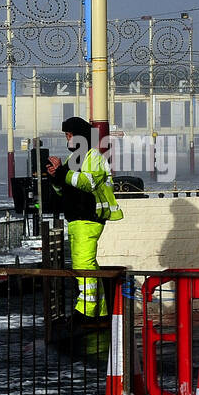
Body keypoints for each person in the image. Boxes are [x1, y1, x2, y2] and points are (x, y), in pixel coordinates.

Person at [45, 116, 122, 320]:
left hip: (88, 218)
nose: (67, 139)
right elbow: (65, 190)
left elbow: (88, 182)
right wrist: (55, 178)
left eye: (69, 135)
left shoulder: (93, 157)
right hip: (78, 219)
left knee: (83, 264)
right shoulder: (75, 159)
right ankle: (101, 310)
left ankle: (86, 311)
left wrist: (62, 172)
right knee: (89, 264)